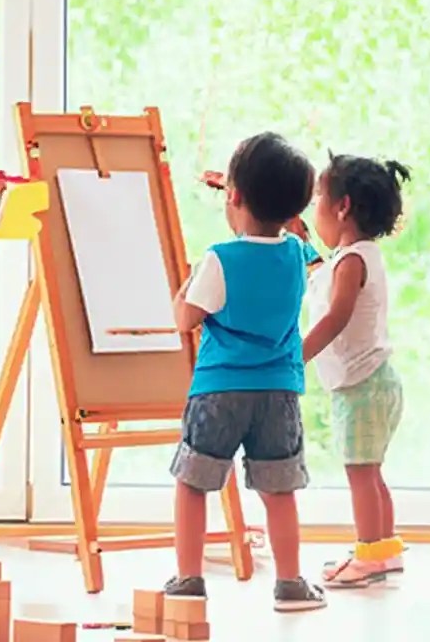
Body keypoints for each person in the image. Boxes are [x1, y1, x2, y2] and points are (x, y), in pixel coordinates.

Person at [165, 131, 328, 612]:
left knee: (194, 482)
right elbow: (309, 252)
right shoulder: (297, 255)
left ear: (232, 196)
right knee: (279, 490)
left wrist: (185, 288)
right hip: (279, 393)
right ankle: (290, 582)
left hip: (219, 390)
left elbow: (185, 319)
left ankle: (189, 579)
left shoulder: (219, 258)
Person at [301, 152, 411, 587]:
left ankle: (368, 555)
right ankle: (382, 550)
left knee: (360, 473)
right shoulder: (355, 256)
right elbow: (320, 277)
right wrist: (301, 236)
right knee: (371, 471)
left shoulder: (351, 261)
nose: (315, 210)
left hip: (363, 386)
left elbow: (336, 315)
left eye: (318, 201)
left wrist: (297, 355)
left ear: (342, 207)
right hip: (375, 382)